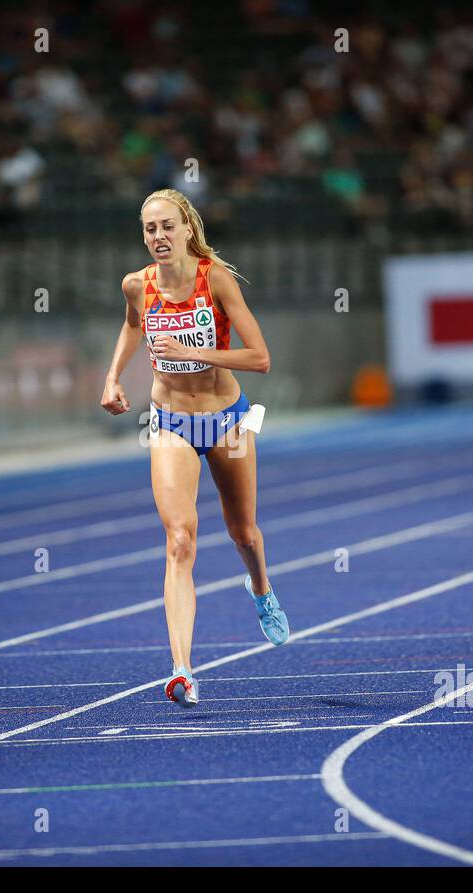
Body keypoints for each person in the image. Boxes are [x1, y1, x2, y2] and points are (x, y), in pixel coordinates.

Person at [99, 188, 289, 708]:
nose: (158, 238)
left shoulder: (216, 279)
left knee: (244, 533)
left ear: (187, 229)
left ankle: (260, 589)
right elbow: (132, 326)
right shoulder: (137, 285)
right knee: (180, 539)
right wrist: (114, 377)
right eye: (149, 229)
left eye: (166, 227)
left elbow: (260, 358)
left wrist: (192, 350)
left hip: (228, 420)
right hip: (170, 424)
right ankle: (182, 668)